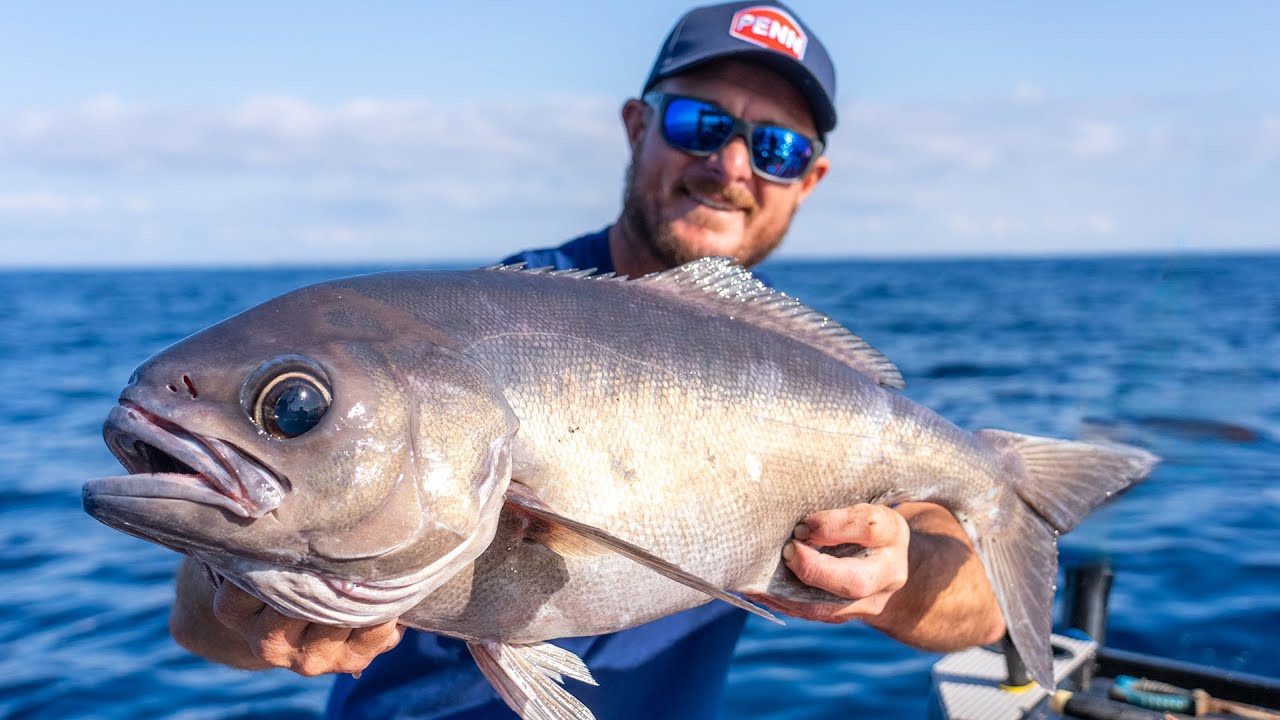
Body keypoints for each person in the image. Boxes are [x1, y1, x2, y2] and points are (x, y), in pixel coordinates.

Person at [168, 3, 1006, 717]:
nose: (731, 166)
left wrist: (898, 571)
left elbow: (984, 608)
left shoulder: (803, 387)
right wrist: (247, 605)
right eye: (699, 124)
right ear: (638, 127)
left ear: (810, 179)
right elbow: (197, 620)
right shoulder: (475, 327)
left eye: (776, 148)